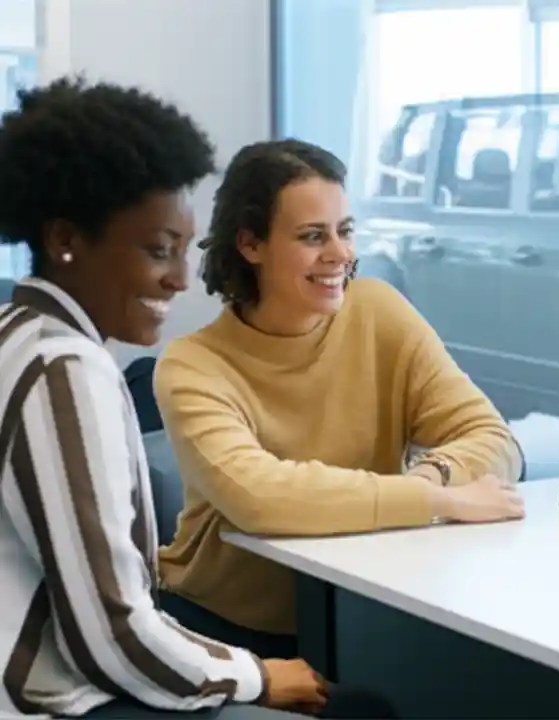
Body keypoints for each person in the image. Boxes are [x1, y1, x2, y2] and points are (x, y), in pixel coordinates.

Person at [0, 77, 325, 718]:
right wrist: (257, 675)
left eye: (183, 251)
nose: (180, 279)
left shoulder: (16, 329)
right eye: (157, 251)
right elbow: (114, 636)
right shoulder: (64, 367)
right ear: (66, 239)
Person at [153, 138, 525, 658]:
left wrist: (427, 477)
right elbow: (262, 498)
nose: (341, 254)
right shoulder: (192, 365)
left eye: (345, 231)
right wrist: (440, 500)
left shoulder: (378, 311)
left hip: (365, 607)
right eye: (312, 236)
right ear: (250, 244)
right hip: (222, 630)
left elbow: (495, 442)